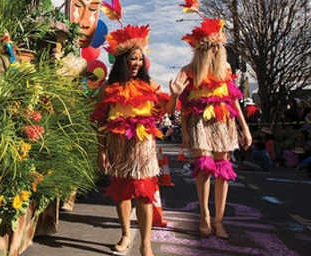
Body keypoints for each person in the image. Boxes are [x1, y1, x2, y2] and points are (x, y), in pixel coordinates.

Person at [91, 25, 175, 256]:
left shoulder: (150, 86)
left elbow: (166, 110)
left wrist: (175, 94)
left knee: (144, 191)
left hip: (143, 146)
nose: (136, 63)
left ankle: (145, 243)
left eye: (139, 59)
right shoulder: (108, 88)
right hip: (118, 145)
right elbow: (99, 120)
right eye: (132, 58)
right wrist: (101, 151)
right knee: (122, 191)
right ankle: (126, 233)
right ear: (121, 61)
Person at [171, 18, 252, 239]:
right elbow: (183, 105)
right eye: (210, 47)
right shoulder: (189, 70)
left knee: (223, 170)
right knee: (204, 168)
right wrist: (185, 129)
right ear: (201, 50)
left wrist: (245, 128)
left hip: (223, 121)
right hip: (199, 122)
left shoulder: (225, 68)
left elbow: (233, 99)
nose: (215, 51)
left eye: (218, 47)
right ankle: (204, 216)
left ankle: (219, 220)